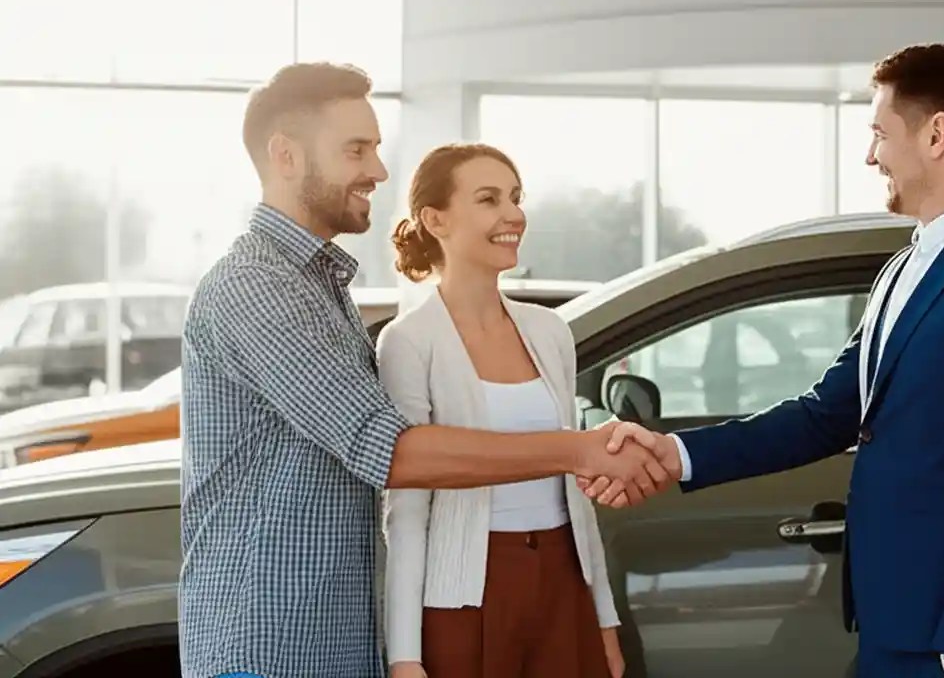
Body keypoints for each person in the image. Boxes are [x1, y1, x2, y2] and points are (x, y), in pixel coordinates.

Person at [583, 43, 944, 678]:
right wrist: (674, 453)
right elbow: (827, 415)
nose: (869, 155)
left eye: (880, 134)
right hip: (894, 620)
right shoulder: (904, 268)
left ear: (936, 135)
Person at [178, 63, 666, 678]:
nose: (379, 171)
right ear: (286, 156)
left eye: (377, 149)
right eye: (357, 149)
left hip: (328, 639)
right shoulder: (257, 286)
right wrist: (578, 450)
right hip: (269, 649)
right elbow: (391, 453)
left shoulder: (317, 285)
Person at [378, 143, 626, 678]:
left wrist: (603, 618)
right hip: (465, 597)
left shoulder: (549, 331)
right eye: (488, 200)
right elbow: (407, 506)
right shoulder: (409, 341)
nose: (513, 214)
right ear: (434, 219)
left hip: (563, 581)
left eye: (515, 198)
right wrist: (405, 656)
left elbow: (578, 489)